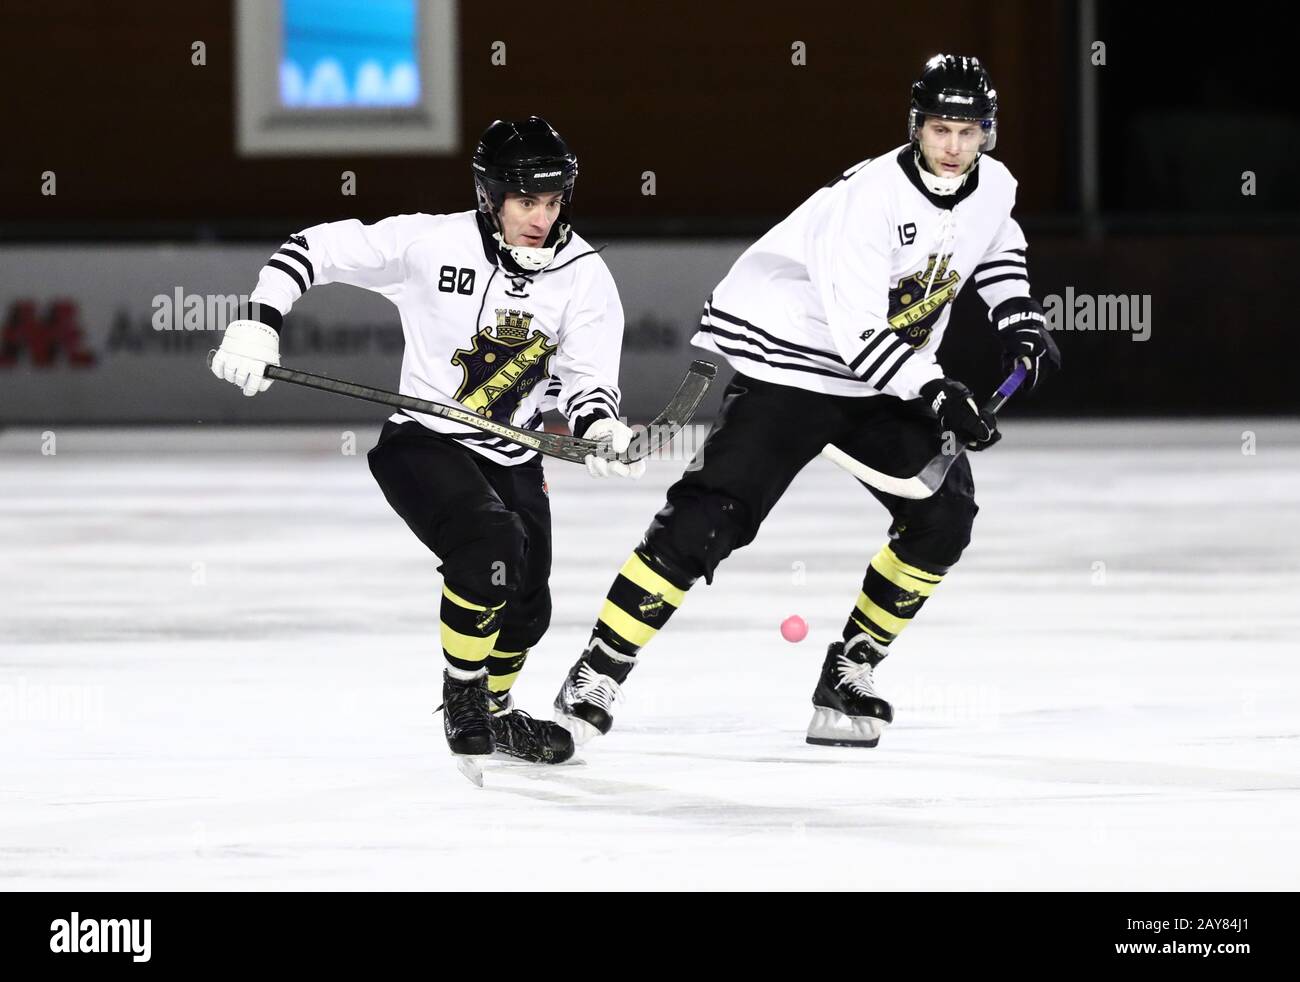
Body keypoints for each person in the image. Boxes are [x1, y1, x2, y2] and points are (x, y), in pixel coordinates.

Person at [553, 55, 1060, 748]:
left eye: (968, 133)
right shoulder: (870, 199)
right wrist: (937, 390)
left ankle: (850, 669)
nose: (952, 147)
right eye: (940, 129)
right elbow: (857, 331)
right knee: (713, 517)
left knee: (945, 516)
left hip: (885, 378)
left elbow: (995, 243)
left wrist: (1018, 318)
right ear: (917, 127)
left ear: (986, 136)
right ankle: (599, 667)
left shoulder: (993, 186)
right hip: (793, 366)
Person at [210, 116, 644, 774]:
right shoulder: (428, 242)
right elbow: (310, 250)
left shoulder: (584, 276)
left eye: (554, 202)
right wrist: (259, 323)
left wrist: (600, 429)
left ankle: (495, 712)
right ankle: (463, 697)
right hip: (424, 442)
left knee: (527, 609)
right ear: (488, 195)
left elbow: (585, 383)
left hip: (513, 457)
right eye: (527, 201)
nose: (542, 218)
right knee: (488, 545)